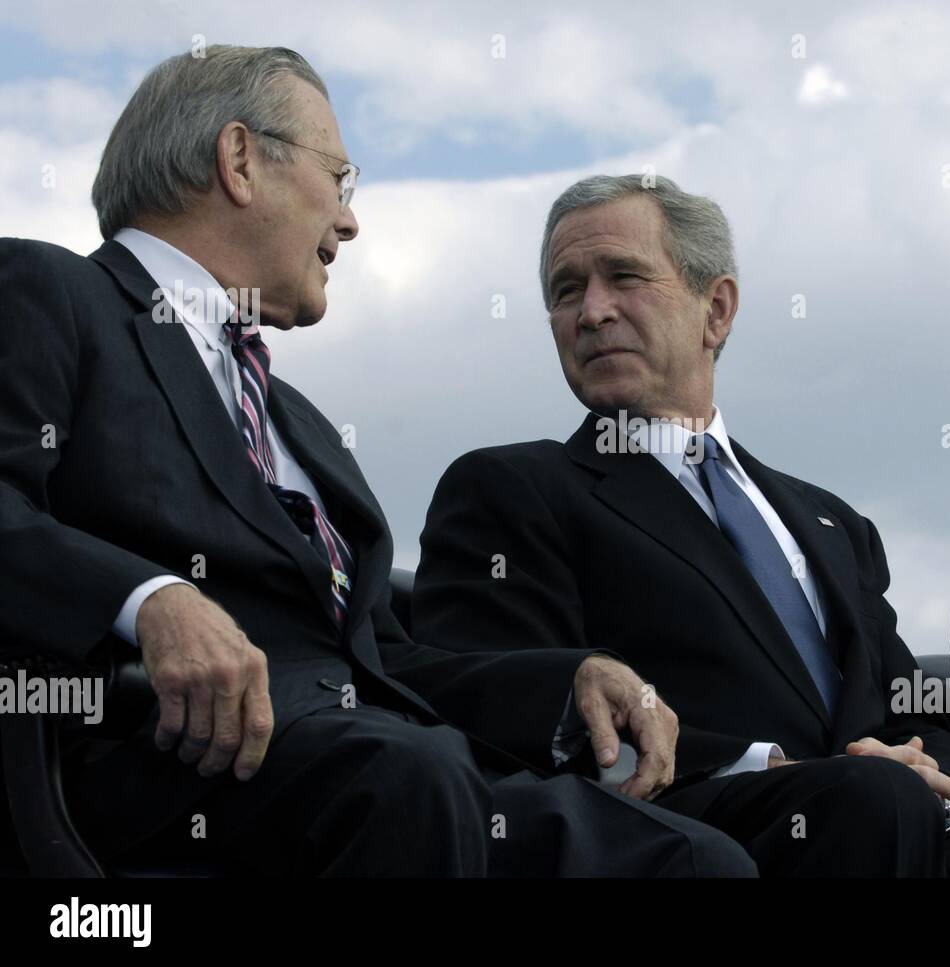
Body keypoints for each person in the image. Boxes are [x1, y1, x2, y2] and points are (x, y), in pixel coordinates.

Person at [0, 48, 754, 877]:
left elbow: (384, 661)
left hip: (380, 765)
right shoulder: (47, 291)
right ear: (242, 161)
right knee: (416, 779)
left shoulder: (304, 430)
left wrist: (570, 678)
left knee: (693, 859)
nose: (350, 222)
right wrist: (149, 599)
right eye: (340, 179)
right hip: (169, 772)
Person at [413, 174, 950, 876]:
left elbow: (908, 701)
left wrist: (946, 778)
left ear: (718, 309)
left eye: (623, 278)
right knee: (868, 800)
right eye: (567, 291)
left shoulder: (826, 520)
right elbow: (481, 692)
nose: (591, 310)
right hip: (699, 830)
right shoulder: (512, 487)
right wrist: (769, 765)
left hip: (906, 827)